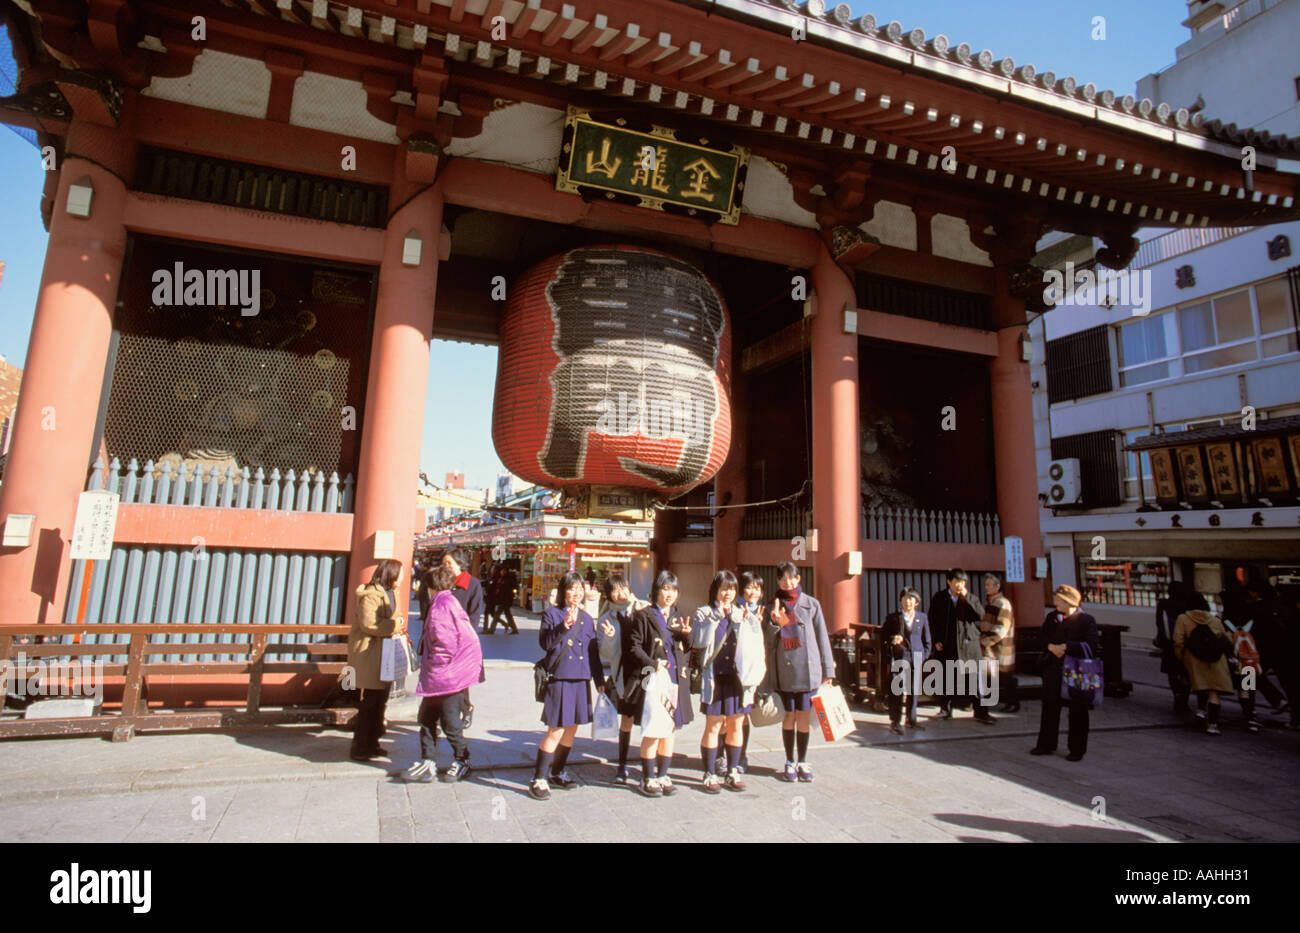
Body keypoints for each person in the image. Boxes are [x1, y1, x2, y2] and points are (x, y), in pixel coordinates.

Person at [400, 563, 484, 783]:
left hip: (444, 675)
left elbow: (444, 643)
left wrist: (436, 668)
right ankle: (430, 760)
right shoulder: (450, 601)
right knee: (433, 719)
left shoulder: (439, 606)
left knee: (444, 722)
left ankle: (461, 760)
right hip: (452, 674)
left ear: (430, 587)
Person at [529, 572, 606, 800]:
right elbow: (545, 643)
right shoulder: (551, 614)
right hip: (560, 678)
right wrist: (562, 626)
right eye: (571, 589)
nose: (576, 593)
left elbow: (593, 653)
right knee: (556, 729)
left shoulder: (586, 618)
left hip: (581, 679)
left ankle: (557, 772)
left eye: (579, 589)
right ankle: (539, 778)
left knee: (572, 728)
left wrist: (599, 680)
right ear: (563, 591)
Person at [691, 570, 763, 793]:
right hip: (714, 678)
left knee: (735, 724)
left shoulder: (741, 613)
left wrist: (750, 621)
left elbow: (754, 644)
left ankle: (733, 770)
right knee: (713, 725)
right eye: (724, 588)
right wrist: (715, 618)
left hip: (736, 679)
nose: (728, 593)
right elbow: (698, 641)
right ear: (715, 590)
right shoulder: (703, 613)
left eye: (731, 589)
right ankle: (710, 773)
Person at [622, 570, 691, 798]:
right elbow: (634, 647)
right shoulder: (644, 615)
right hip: (652, 678)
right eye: (665, 589)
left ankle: (663, 774)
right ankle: (648, 777)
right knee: (652, 728)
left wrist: (688, 637)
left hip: (673, 680)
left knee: (669, 730)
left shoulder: (679, 616)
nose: (669, 594)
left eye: (673, 590)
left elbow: (687, 647)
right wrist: (652, 662)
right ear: (656, 592)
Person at [765, 561, 835, 783]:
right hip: (785, 669)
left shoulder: (811, 604)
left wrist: (829, 669)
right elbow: (768, 641)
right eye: (784, 579)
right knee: (789, 715)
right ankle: (789, 761)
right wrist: (775, 622)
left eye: (792, 578)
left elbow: (822, 637)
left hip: (808, 668)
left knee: (803, 716)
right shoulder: (773, 606)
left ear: (798, 579)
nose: (788, 582)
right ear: (778, 581)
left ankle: (803, 760)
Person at [346, 559, 406, 762]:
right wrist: (395, 625)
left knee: (381, 700)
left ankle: (373, 742)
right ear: (391, 574)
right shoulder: (370, 595)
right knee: (370, 702)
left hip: (385, 654)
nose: (403, 577)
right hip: (370, 654)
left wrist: (396, 624)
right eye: (401, 573)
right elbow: (369, 624)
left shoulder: (392, 592)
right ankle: (360, 746)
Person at [1031, 585, 1100, 761]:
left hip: (1076, 670)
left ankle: (1077, 749)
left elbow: (1092, 646)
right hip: (1053, 668)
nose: (1056, 603)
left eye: (1059, 600)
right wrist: (1051, 647)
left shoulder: (1086, 620)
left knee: (1078, 710)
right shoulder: (1052, 617)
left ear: (1069, 602)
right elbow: (1042, 637)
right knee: (1049, 707)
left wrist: (1068, 646)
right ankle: (1046, 744)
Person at [595, 571, 649, 784]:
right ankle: (623, 765)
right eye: (615, 590)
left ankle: (648, 768)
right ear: (608, 595)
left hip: (645, 674)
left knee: (648, 717)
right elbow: (605, 654)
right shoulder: (606, 619)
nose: (621, 593)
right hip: (624, 676)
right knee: (626, 720)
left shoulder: (642, 608)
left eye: (623, 588)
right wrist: (609, 638)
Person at [927, 569, 987, 721]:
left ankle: (981, 712)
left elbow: (980, 615)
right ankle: (945, 709)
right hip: (948, 644)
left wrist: (965, 597)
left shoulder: (971, 597)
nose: (960, 585)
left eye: (963, 582)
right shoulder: (940, 597)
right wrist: (936, 640)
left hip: (968, 645)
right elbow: (932, 620)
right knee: (947, 678)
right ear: (949, 582)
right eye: (957, 582)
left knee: (974, 678)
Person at [1173, 592, 1234, 736]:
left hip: (1194, 659)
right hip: (1216, 660)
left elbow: (1178, 641)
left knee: (1201, 686)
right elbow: (1226, 641)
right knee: (1214, 691)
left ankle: (1200, 712)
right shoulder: (1214, 620)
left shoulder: (1183, 618)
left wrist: (1181, 657)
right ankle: (1213, 724)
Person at [442, 547, 484, 725]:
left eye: (449, 563)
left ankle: (466, 707)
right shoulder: (443, 581)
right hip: (442, 637)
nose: (445, 567)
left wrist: (465, 637)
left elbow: (475, 614)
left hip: (462, 639)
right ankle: (445, 712)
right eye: (444, 563)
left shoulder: (472, 584)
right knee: (442, 676)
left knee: (460, 677)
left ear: (459, 564)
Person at [881, 587, 930, 734]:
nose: (907, 601)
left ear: (916, 602)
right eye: (904, 598)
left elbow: (927, 640)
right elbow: (883, 637)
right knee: (897, 689)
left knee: (914, 690)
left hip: (916, 657)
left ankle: (912, 719)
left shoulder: (922, 617)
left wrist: (924, 655)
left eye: (911, 598)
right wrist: (892, 640)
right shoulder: (893, 618)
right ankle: (895, 721)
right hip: (899, 657)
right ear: (900, 601)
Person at [981, 573, 1017, 714]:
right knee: (993, 675)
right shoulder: (991, 602)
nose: (987, 587)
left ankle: (1012, 703)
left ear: (998, 586)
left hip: (1001, 647)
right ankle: (994, 700)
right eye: (986, 585)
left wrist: (986, 642)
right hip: (992, 646)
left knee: (1005, 676)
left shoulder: (1003, 603)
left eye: (989, 585)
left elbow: (1002, 628)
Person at [1155, 581, 1193, 716]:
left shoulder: (1163, 605)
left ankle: (1177, 694)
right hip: (1185, 644)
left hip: (1169, 643)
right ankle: (1183, 698)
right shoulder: (1187, 605)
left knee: (1172, 671)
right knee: (1185, 672)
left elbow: (1159, 623)